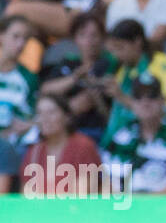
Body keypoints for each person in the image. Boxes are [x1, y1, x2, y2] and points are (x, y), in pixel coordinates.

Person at [101, 73, 166, 194]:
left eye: (152, 96)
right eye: (138, 96)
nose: (145, 102)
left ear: (163, 100)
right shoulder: (120, 136)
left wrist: (149, 204)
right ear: (132, 102)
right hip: (127, 206)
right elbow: (109, 180)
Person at [102, 18, 166, 140]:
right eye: (114, 50)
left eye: (120, 48)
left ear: (137, 42)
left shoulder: (162, 64)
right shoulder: (122, 71)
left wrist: (122, 97)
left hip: (162, 136)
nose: (116, 55)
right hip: (125, 136)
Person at [38, 12, 113, 143]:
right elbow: (46, 90)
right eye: (82, 35)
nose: (89, 41)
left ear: (102, 38)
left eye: (94, 35)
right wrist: (74, 78)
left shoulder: (110, 66)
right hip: (62, 130)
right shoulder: (68, 63)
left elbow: (111, 115)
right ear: (75, 38)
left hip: (95, 132)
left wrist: (96, 99)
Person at [20, 93, 103, 196]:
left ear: (67, 117)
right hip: (41, 211)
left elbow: (83, 192)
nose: (44, 119)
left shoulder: (83, 146)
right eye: (40, 113)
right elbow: (26, 195)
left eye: (51, 112)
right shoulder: (34, 151)